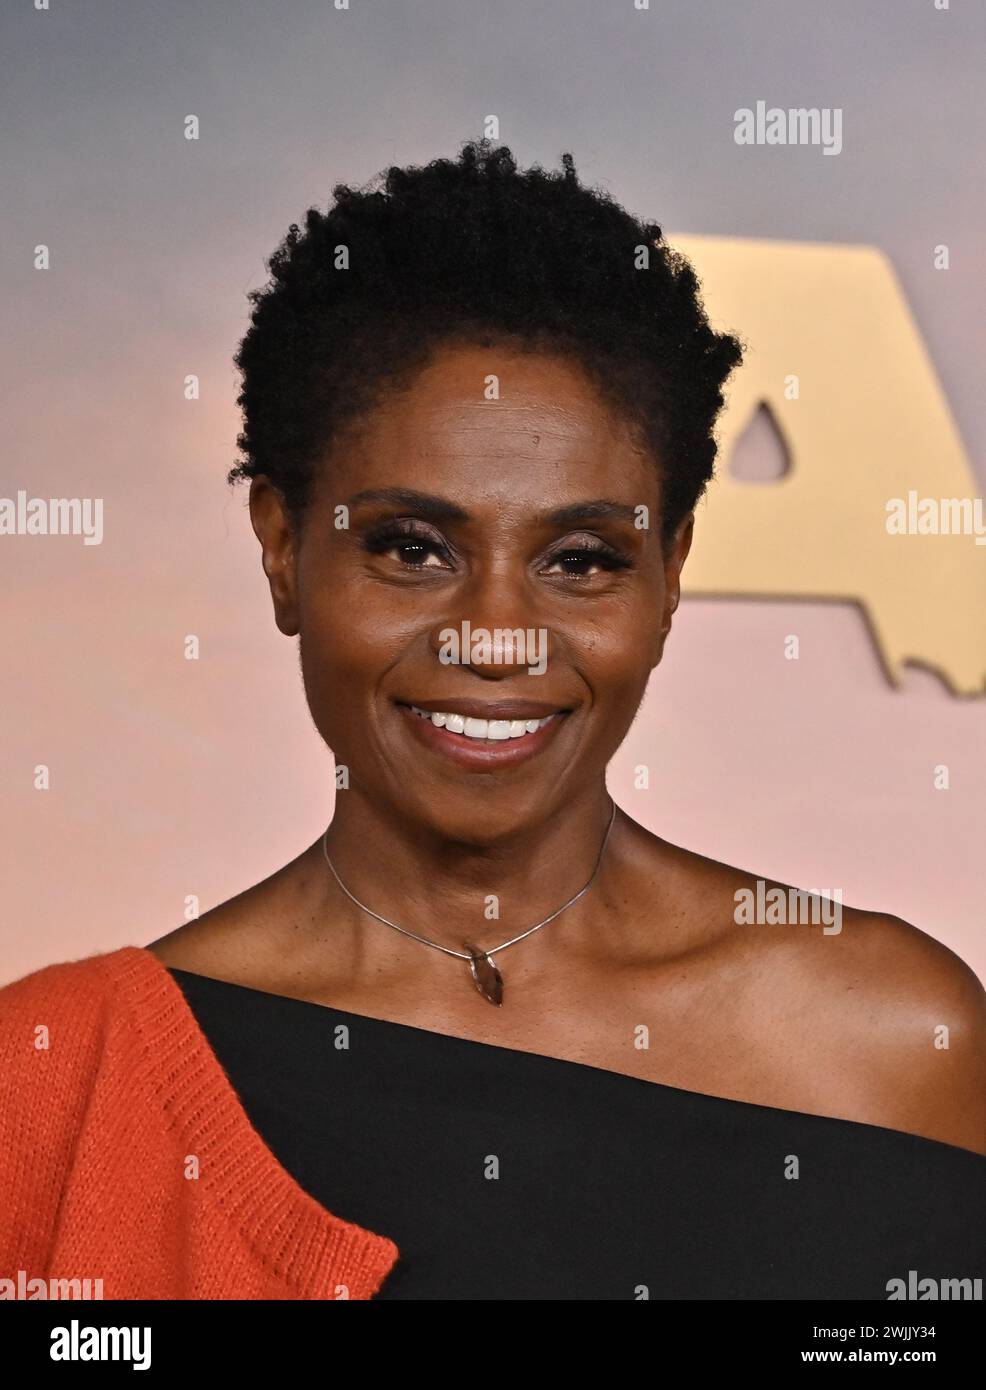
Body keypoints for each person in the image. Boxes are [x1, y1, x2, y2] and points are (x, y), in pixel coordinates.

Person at [2, 141, 984, 1301]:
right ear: (281, 545)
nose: (497, 635)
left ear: (669, 573)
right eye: (411, 549)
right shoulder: (56, 1084)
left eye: (580, 559)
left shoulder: (888, 1035)